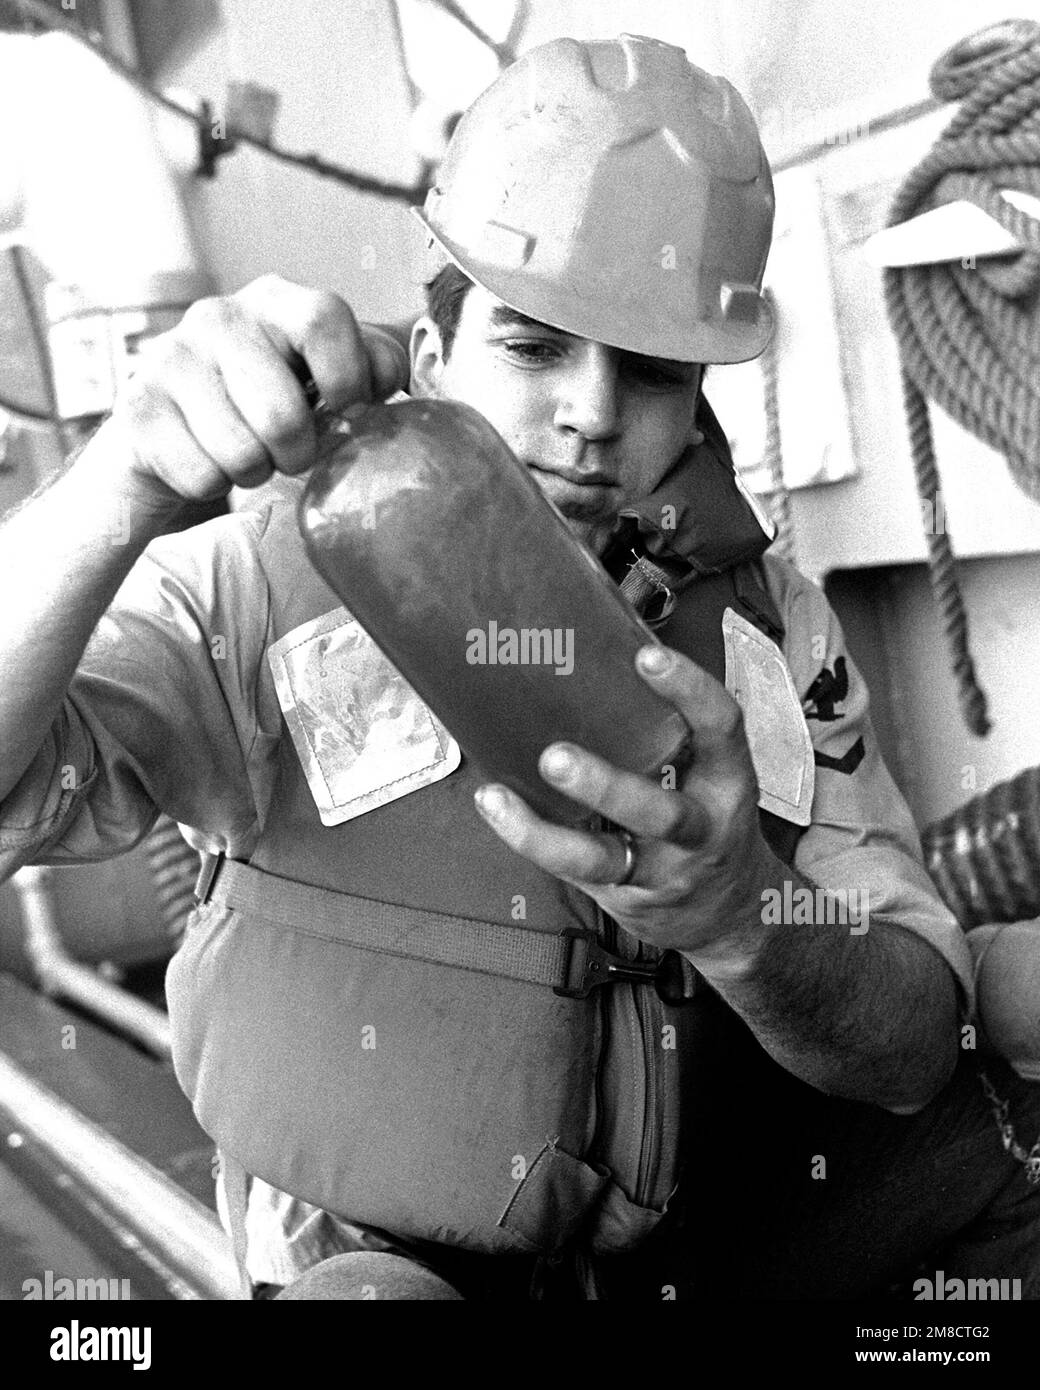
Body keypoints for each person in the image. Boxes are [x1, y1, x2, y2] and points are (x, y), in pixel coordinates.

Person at [0, 34, 1038, 1302]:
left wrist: (740, 915)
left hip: (690, 1212)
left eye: (652, 371)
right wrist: (117, 487)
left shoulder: (768, 635)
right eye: (534, 345)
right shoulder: (252, 583)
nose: (594, 413)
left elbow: (906, 1042)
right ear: (433, 360)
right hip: (392, 1250)